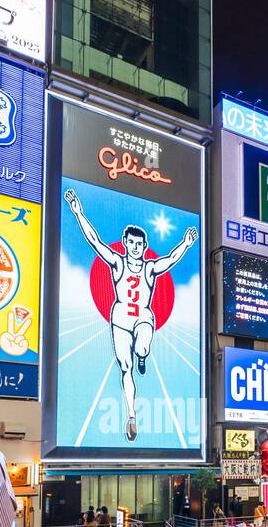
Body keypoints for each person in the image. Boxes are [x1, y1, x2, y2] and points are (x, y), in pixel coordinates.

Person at [62, 187, 199, 442]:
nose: (135, 247)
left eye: (139, 244)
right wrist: (78, 212)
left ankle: (143, 355)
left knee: (143, 349)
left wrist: (186, 244)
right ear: (126, 243)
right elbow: (95, 242)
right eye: (131, 243)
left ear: (145, 246)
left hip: (143, 317)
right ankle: (132, 414)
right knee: (125, 367)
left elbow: (169, 260)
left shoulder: (149, 267)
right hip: (120, 318)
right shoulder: (117, 262)